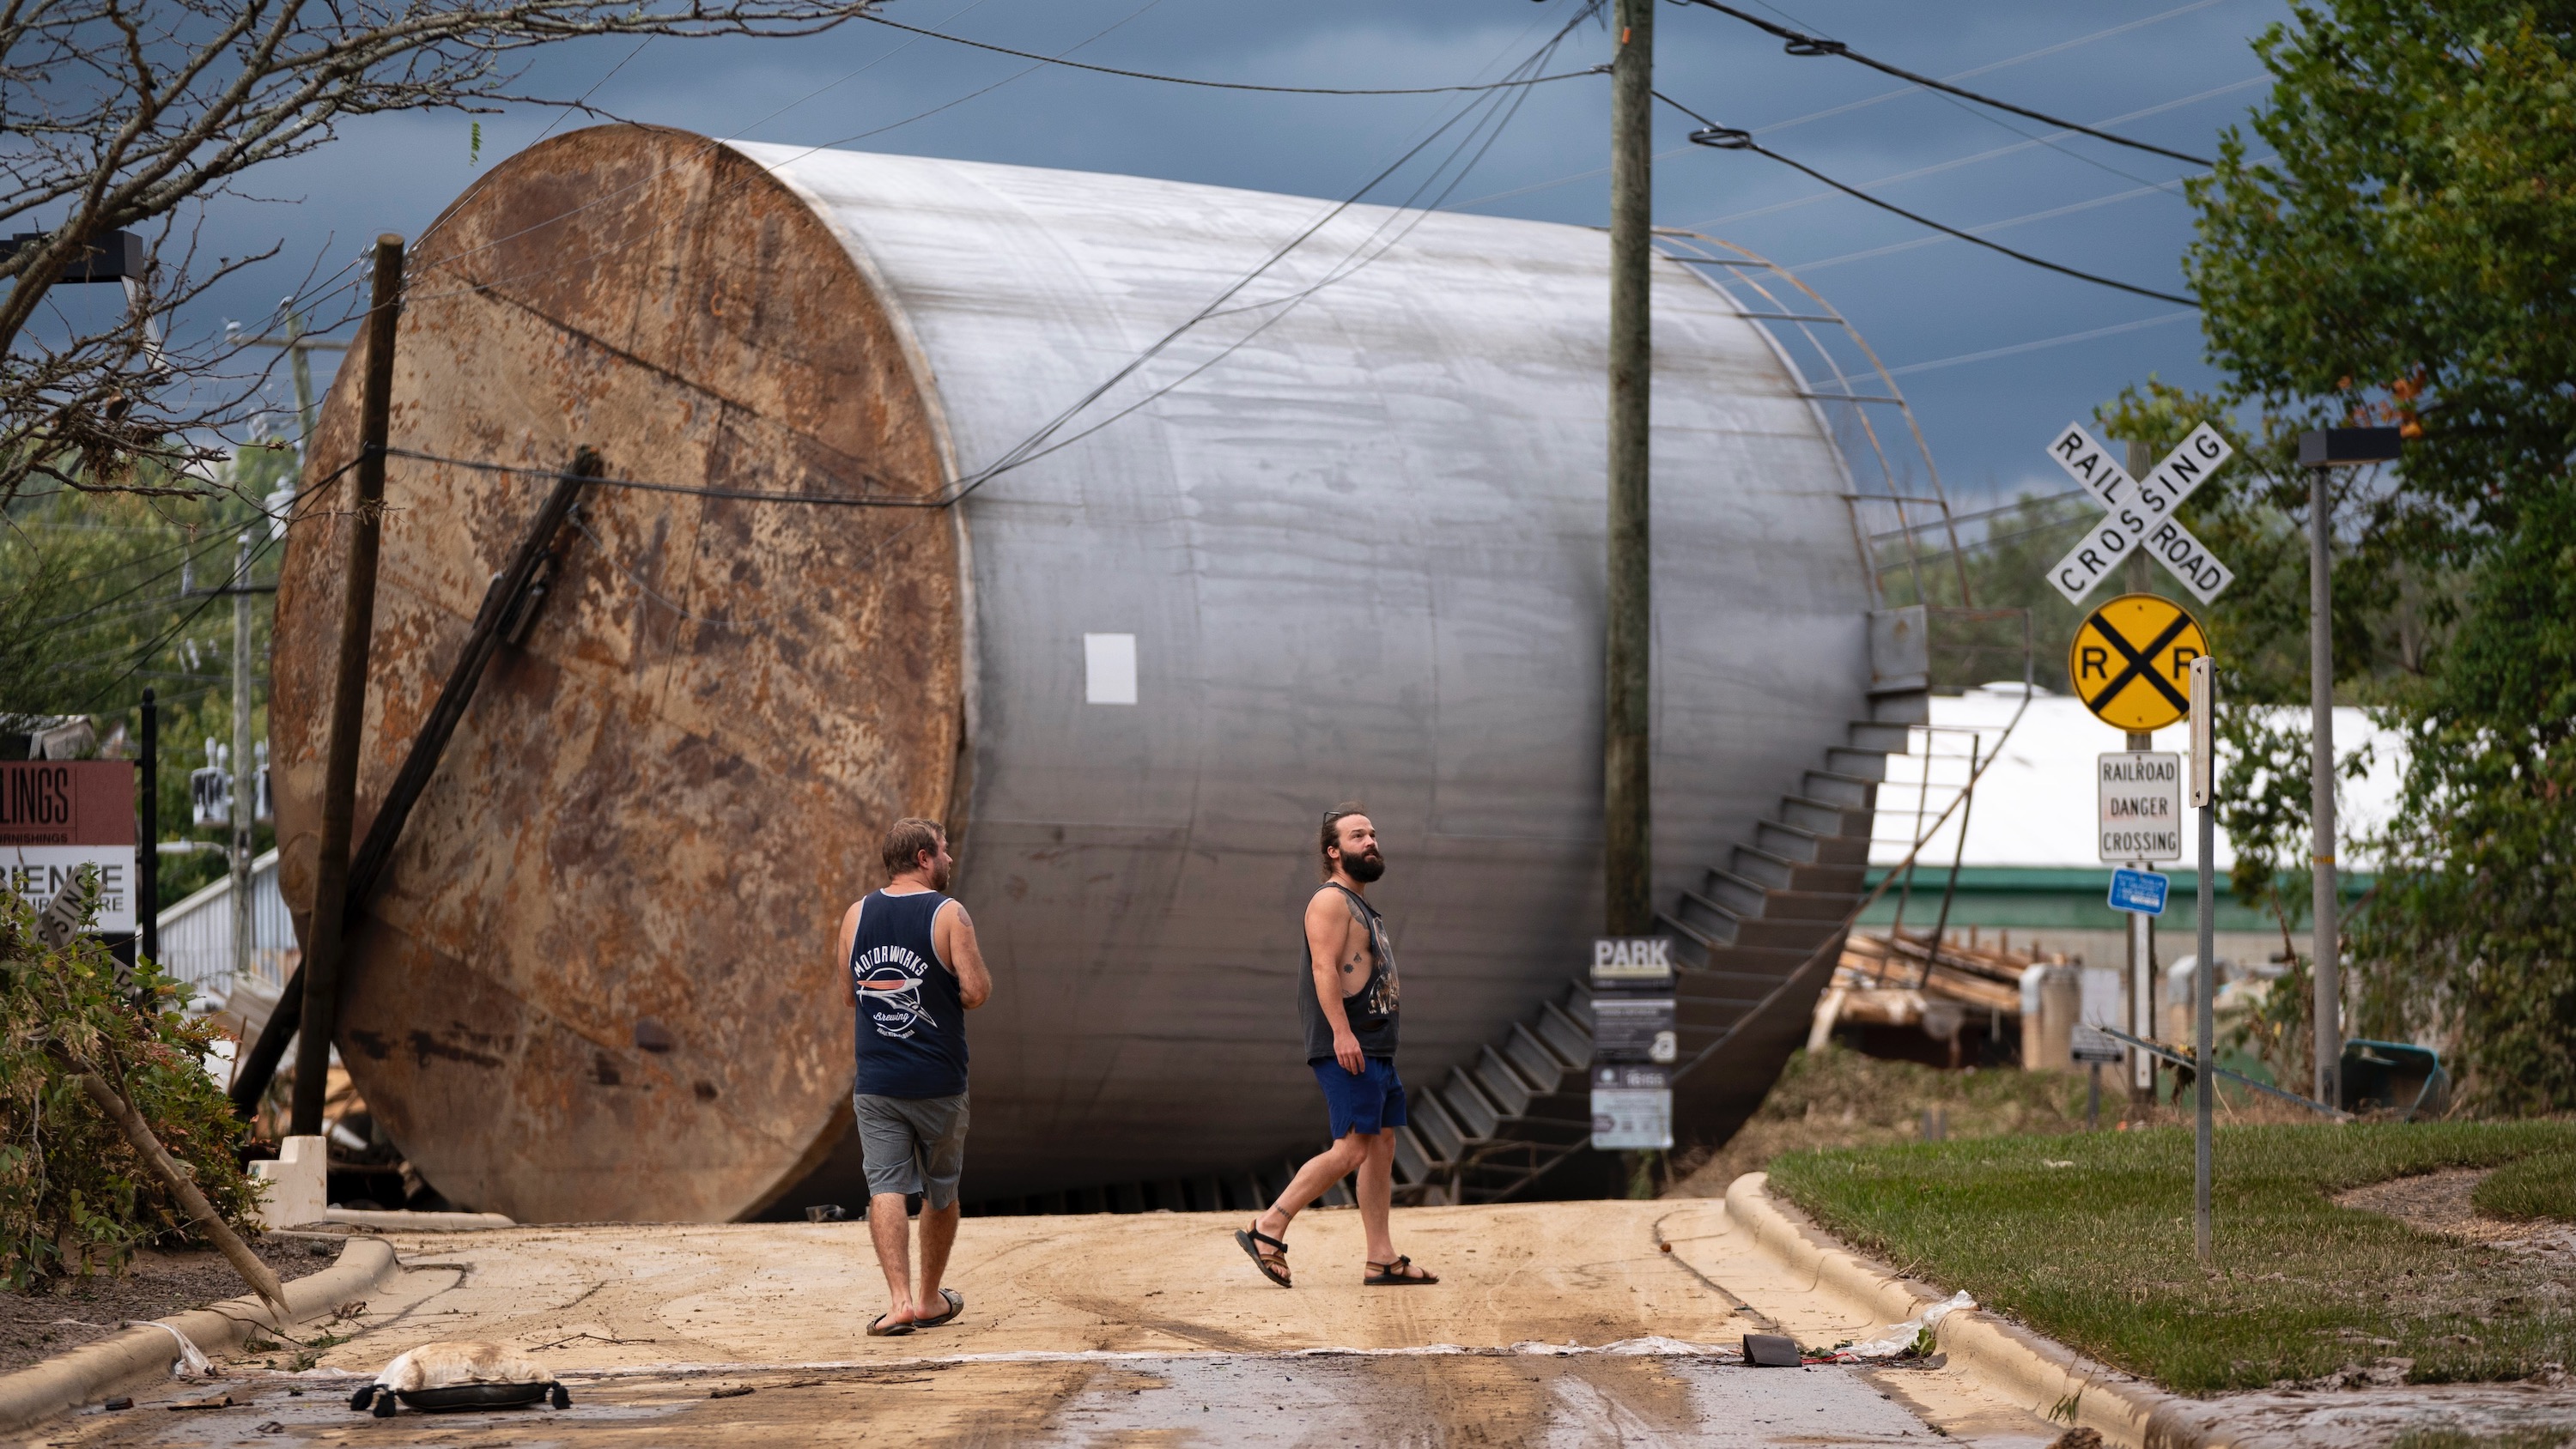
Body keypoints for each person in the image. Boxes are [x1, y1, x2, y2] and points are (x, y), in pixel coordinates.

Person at [1233, 804, 1438, 1288]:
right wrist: (1342, 1033)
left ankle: (1381, 1258)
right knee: (1350, 1149)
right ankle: (1269, 1227)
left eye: (1372, 833)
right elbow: (1324, 969)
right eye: (1357, 836)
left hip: (1375, 1048)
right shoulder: (1330, 901)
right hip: (1349, 1046)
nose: (1370, 842)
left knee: (1382, 1143)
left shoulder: (1361, 904)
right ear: (1333, 851)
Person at [836, 817, 993, 1336]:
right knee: (940, 1191)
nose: (950, 860)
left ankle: (899, 1301)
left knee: (884, 1186)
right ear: (924, 858)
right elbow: (975, 991)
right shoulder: (949, 913)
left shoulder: (855, 916)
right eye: (944, 852)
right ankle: (929, 1300)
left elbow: (849, 996)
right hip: (938, 1083)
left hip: (877, 1082)